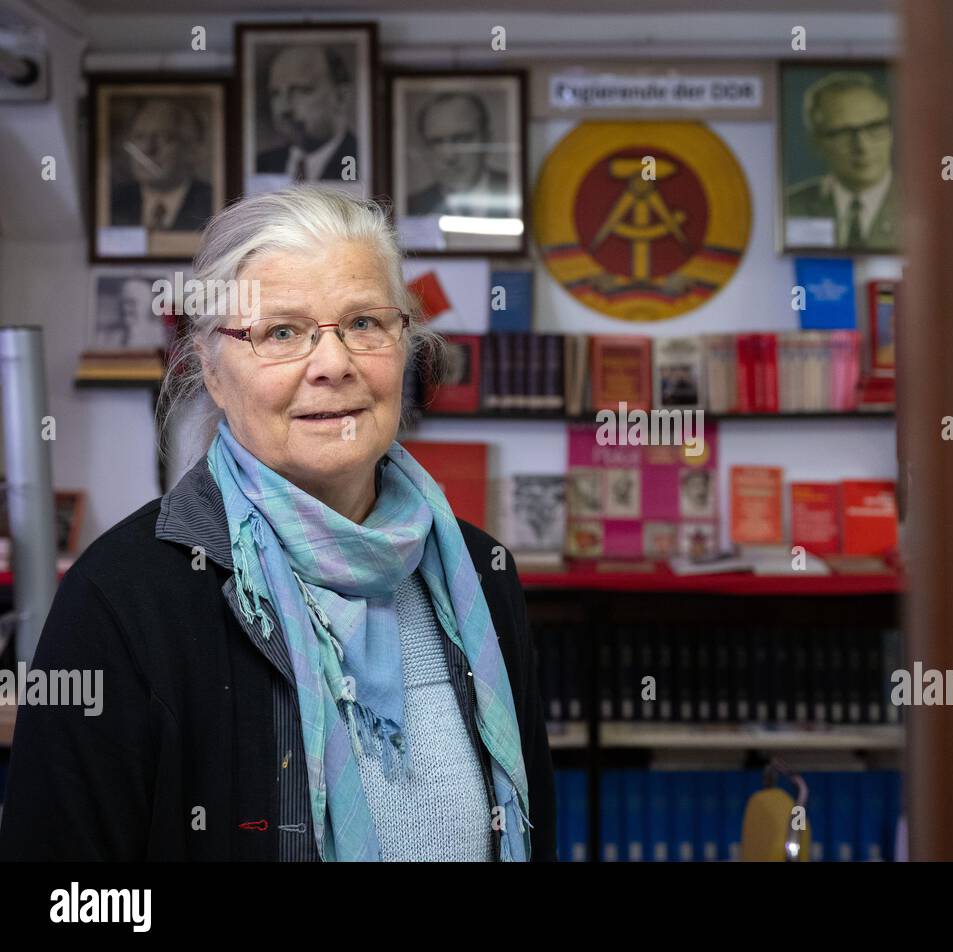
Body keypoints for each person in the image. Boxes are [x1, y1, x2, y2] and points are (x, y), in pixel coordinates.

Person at [0, 186, 556, 862]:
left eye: (364, 323)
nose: (333, 364)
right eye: (282, 332)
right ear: (209, 365)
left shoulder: (480, 574)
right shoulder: (121, 600)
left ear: (406, 343)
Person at [785, 72, 899, 250]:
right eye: (843, 133)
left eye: (874, 127)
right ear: (816, 142)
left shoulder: (927, 208)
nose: (862, 147)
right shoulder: (789, 209)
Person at [255, 45, 358, 182]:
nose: (285, 108)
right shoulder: (262, 163)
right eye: (275, 94)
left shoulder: (357, 158)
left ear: (341, 97)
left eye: (302, 91)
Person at [110, 98, 213, 232]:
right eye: (139, 137)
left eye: (165, 138)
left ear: (192, 150)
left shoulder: (212, 203)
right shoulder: (115, 202)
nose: (147, 150)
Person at [406, 92, 510, 218]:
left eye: (462, 139)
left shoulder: (516, 190)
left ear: (487, 139)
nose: (449, 156)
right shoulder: (411, 206)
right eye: (436, 142)